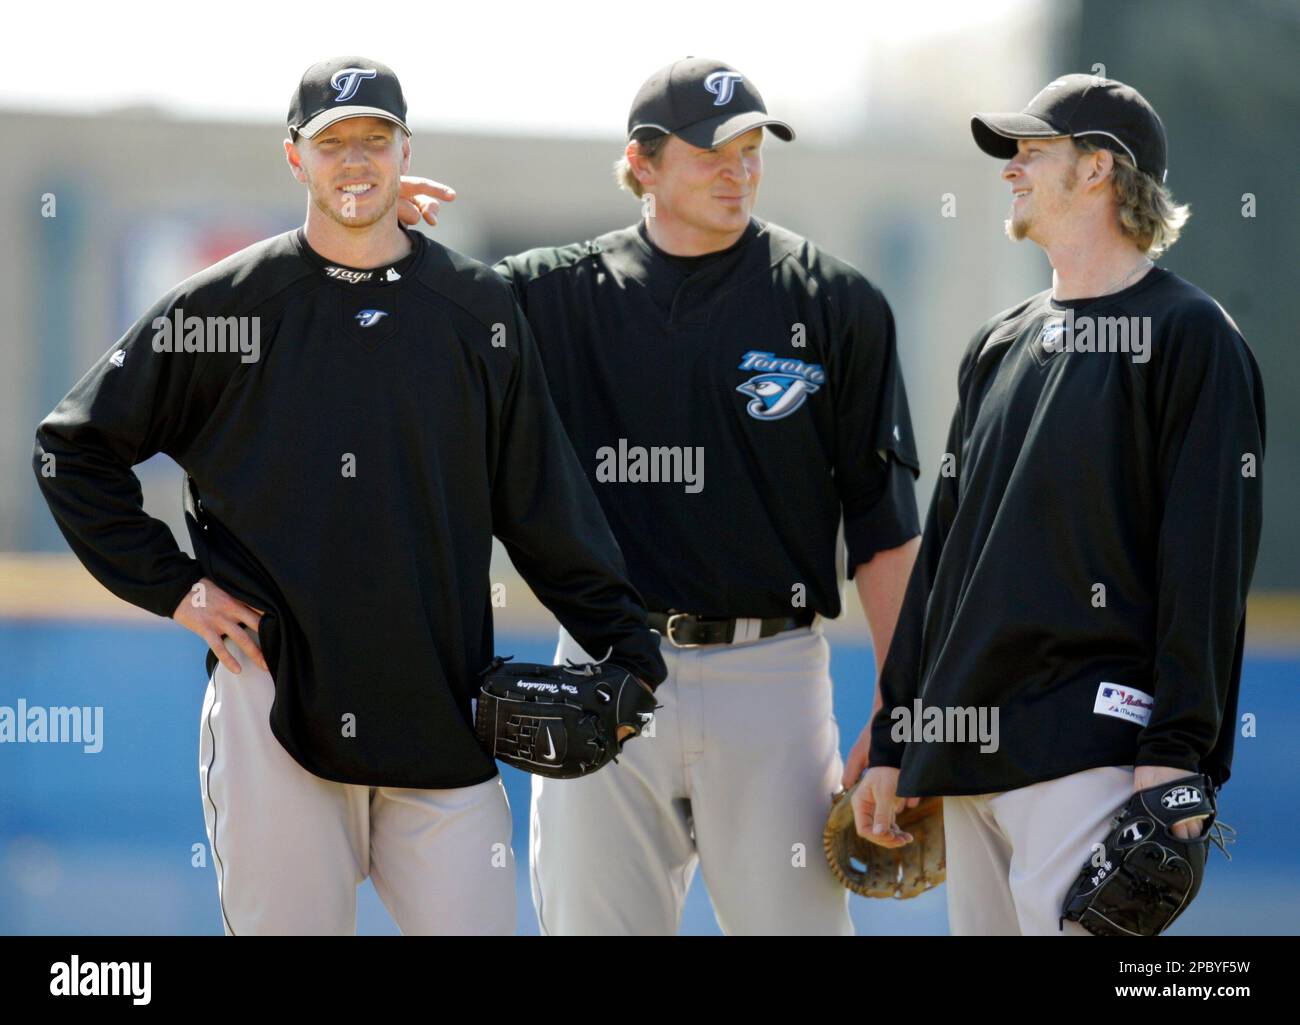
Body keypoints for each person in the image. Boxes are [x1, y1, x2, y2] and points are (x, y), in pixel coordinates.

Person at [32, 55, 666, 936]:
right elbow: (73, 448)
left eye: (375, 139)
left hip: (445, 712)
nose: (356, 160)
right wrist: (172, 586)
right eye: (334, 143)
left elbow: (541, 500)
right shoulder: (228, 307)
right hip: (274, 703)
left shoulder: (473, 307)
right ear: (296, 158)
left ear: (406, 150)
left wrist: (627, 649)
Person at [403, 56, 922, 935]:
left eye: (753, 147)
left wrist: (901, 712)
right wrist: (387, 230)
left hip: (773, 676)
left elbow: (885, 526)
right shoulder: (550, 294)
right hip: (607, 668)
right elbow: (419, 327)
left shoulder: (836, 303)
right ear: (642, 162)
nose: (740, 169)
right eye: (713, 150)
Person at [852, 74, 1265, 935]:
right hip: (969, 760)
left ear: (1099, 172)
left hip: (1093, 752)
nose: (1012, 169)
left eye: (1033, 152)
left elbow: (1207, 560)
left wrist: (1177, 755)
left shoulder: (1192, 337)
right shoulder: (999, 344)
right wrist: (899, 737)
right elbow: (947, 561)